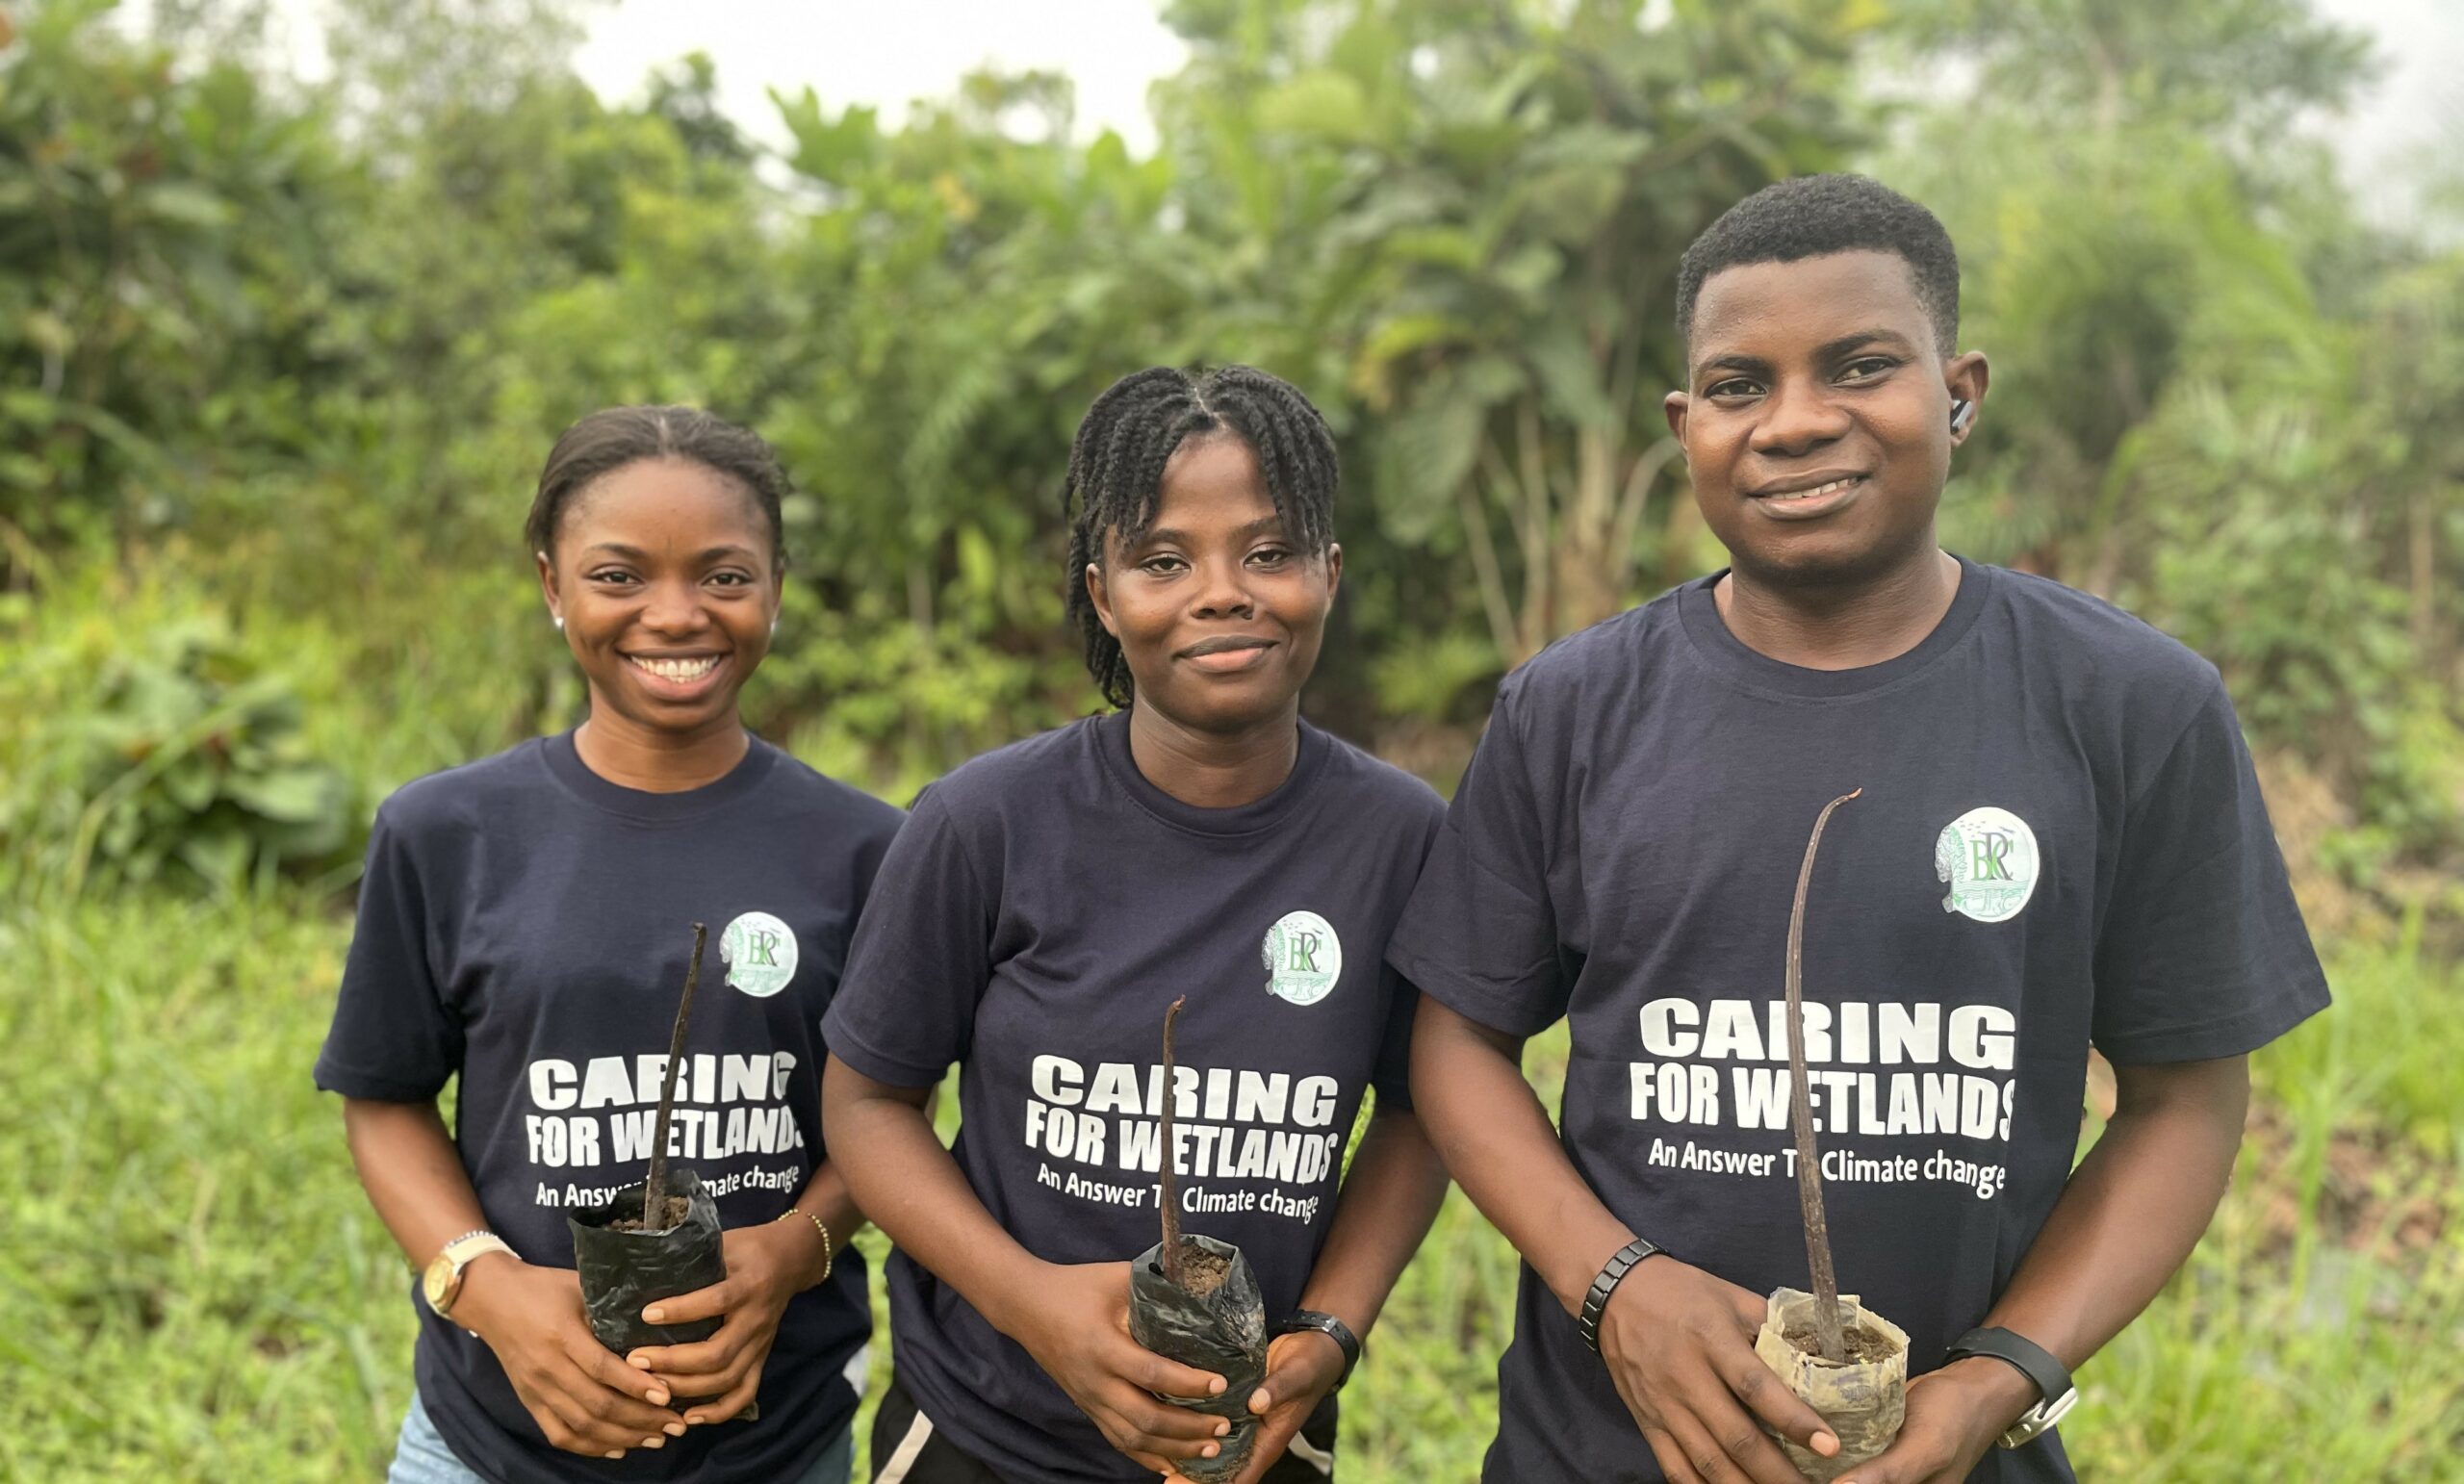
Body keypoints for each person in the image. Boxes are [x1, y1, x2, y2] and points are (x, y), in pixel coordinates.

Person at [1391, 173, 2329, 1484]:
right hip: (1599, 1451)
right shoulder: (1571, 707)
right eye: (1738, 385)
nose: (1794, 423)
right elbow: (1458, 1036)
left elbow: (2183, 1099)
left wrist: (2002, 1374)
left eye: (1859, 366)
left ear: (1961, 391)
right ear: (1685, 423)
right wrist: (1619, 1285)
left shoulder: (2131, 705)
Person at [821, 365, 1451, 1484]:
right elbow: (868, 1103)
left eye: (1268, 552)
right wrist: (1036, 1310)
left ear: (1329, 574)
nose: (1222, 592)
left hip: (1252, 1439)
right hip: (985, 1429)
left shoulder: (1403, 840)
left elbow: (1418, 1114)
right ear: (1104, 594)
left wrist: (1336, 1331)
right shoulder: (985, 823)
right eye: (1165, 561)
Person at [316, 405, 904, 1484]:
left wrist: (792, 1251)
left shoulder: (870, 848)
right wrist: (486, 1290)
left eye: (723, 577)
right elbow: (384, 1096)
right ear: (551, 585)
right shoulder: (446, 832)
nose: (675, 616)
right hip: (491, 1437)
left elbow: (887, 1112)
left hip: (777, 1439)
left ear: (776, 583)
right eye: (619, 575)